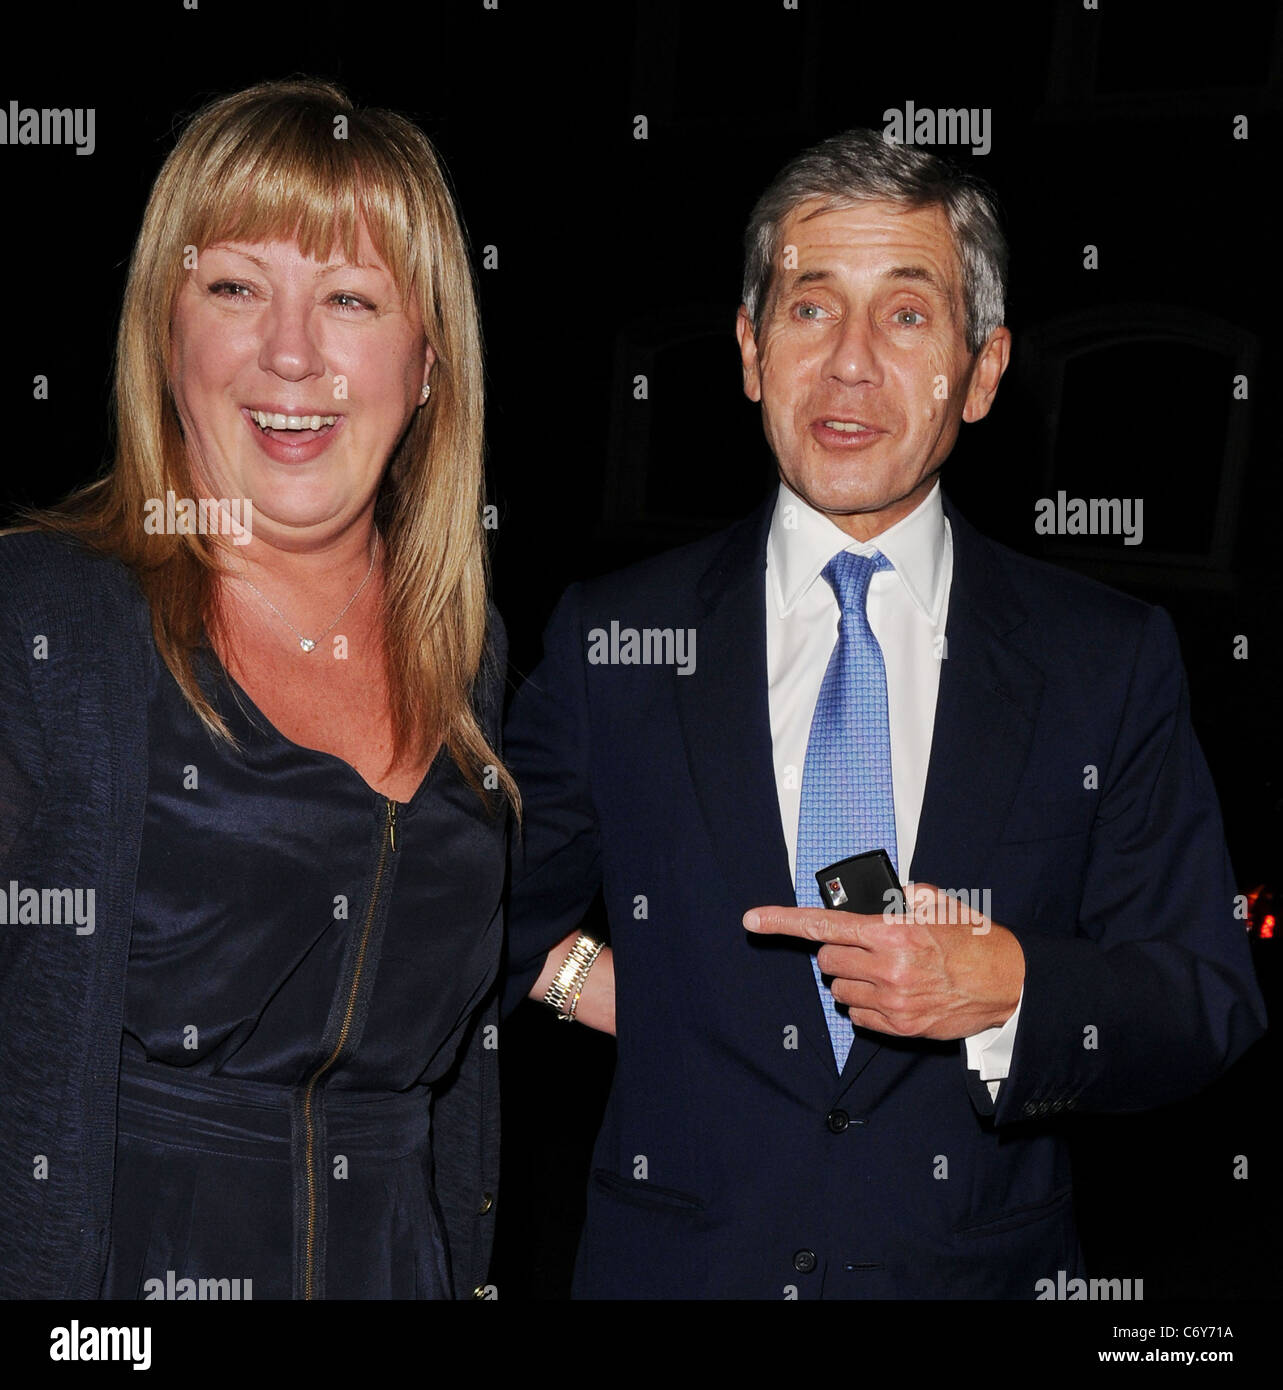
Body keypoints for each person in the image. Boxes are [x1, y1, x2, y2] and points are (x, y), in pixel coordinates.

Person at [502, 129, 1267, 1299]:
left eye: (905, 316)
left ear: (982, 368)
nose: (850, 363)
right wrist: (600, 986)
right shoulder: (614, 639)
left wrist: (1008, 985)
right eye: (810, 310)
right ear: (752, 351)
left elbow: (1204, 996)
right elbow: (471, 903)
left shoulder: (1102, 659)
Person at [0, 78, 516, 1300]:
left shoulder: (468, 646)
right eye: (234, 287)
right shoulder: (48, 620)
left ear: (429, 361)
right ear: (163, 332)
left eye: (348, 298)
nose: (291, 352)